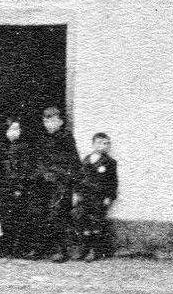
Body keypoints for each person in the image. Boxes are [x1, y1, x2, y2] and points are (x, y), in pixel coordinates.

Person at [31, 106, 79, 262]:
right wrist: (42, 173)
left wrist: (69, 182)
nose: (48, 123)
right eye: (45, 120)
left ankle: (61, 250)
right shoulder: (42, 138)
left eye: (52, 120)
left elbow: (73, 162)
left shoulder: (66, 137)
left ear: (60, 122)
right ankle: (39, 249)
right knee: (39, 213)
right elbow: (39, 160)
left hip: (60, 183)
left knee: (57, 215)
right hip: (44, 181)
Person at [74, 132, 118, 262]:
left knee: (96, 222)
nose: (102, 146)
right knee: (83, 221)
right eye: (99, 143)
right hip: (85, 196)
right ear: (93, 144)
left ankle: (95, 250)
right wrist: (77, 193)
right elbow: (79, 177)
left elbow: (113, 181)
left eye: (106, 143)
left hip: (99, 196)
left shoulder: (109, 162)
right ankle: (84, 249)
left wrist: (109, 196)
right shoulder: (87, 159)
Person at [0, 118, 35, 258]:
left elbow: (25, 169)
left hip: (18, 187)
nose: (14, 132)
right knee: (5, 218)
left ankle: (18, 248)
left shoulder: (24, 147)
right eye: (11, 129)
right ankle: (5, 248)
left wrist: (19, 186)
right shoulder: (1, 147)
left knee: (18, 217)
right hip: (4, 187)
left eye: (17, 129)